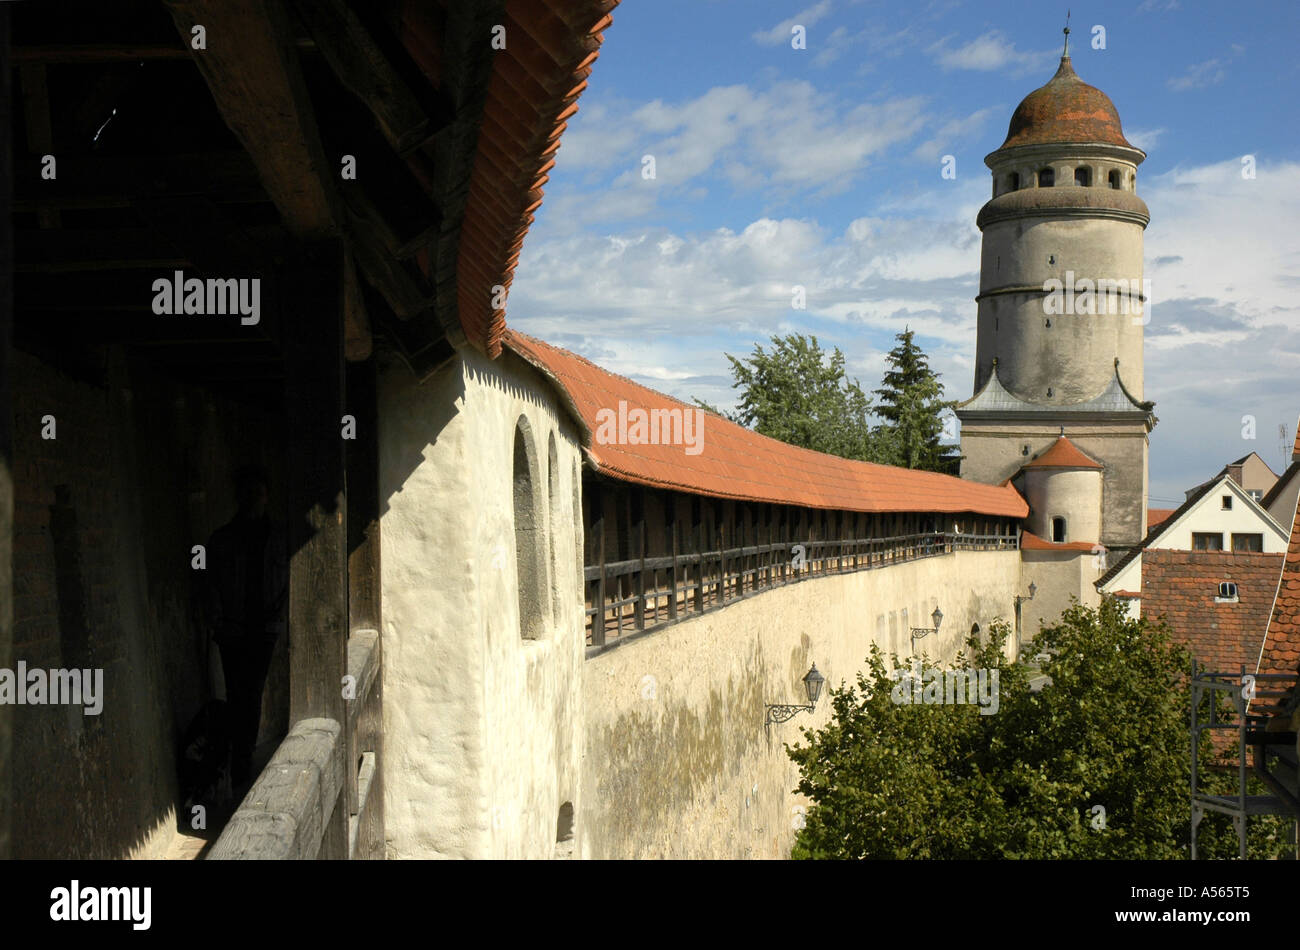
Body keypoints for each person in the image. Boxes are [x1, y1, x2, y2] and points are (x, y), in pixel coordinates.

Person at [204, 465, 287, 793]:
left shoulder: (279, 539)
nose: (255, 500)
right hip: (234, 631)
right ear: (240, 497)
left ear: (266, 497)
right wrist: (221, 623)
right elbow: (210, 586)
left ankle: (242, 765)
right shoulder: (222, 541)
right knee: (239, 695)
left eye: (260, 493)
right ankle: (239, 765)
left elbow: (284, 583)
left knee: (250, 695)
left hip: (261, 630)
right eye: (249, 493)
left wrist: (274, 620)